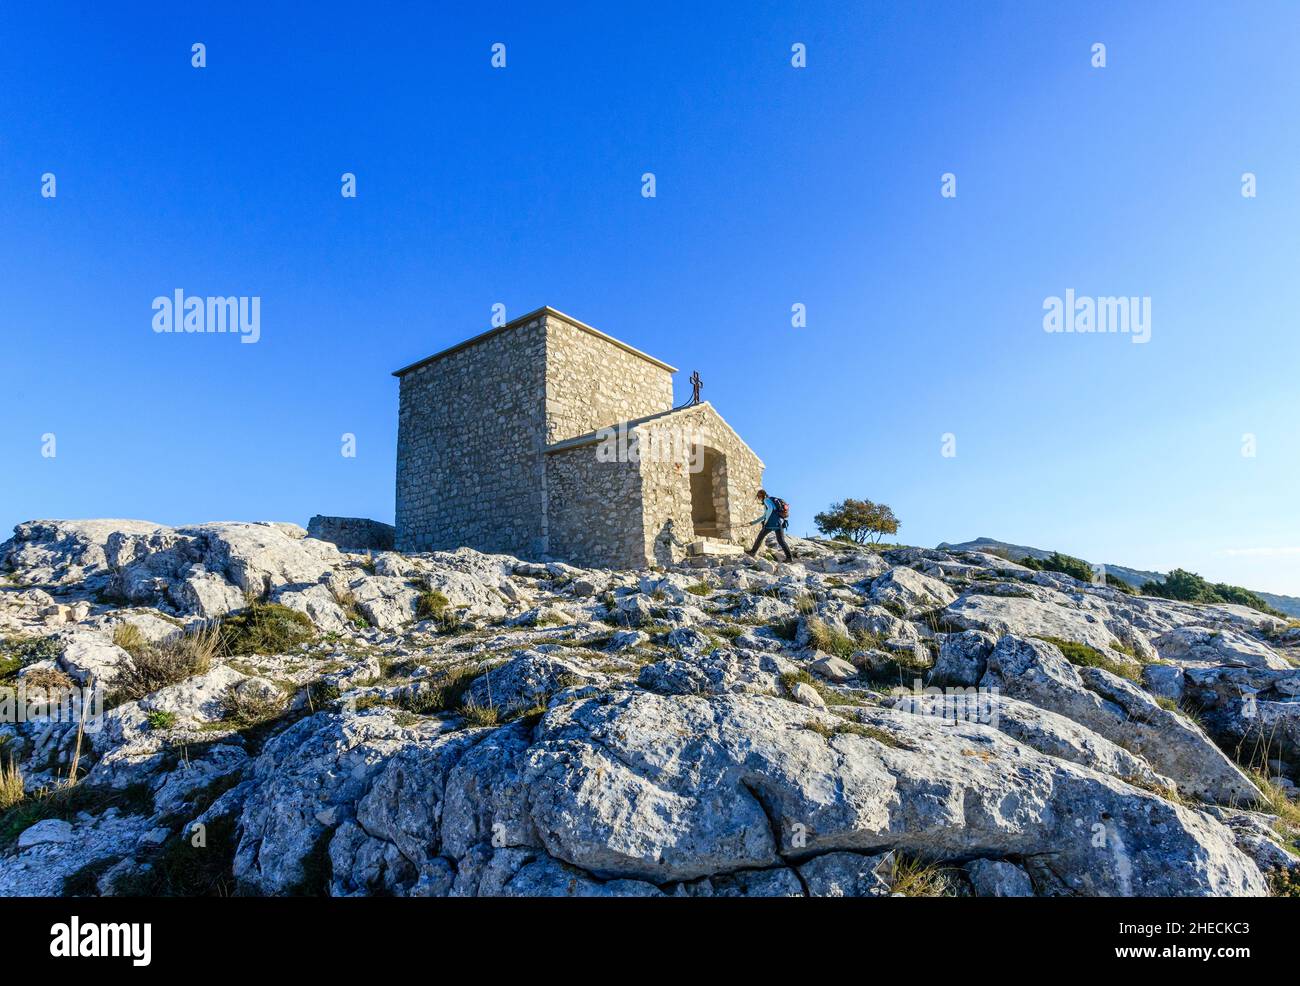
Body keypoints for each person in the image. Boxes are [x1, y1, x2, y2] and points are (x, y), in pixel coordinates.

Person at [746, 488, 794, 562]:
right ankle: (789, 558)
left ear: (762, 496)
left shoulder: (766, 500)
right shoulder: (771, 501)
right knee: (781, 541)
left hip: (770, 524)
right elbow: (764, 516)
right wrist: (753, 522)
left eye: (759, 496)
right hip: (779, 523)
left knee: (760, 537)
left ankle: (752, 552)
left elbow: (770, 510)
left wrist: (766, 521)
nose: (758, 498)